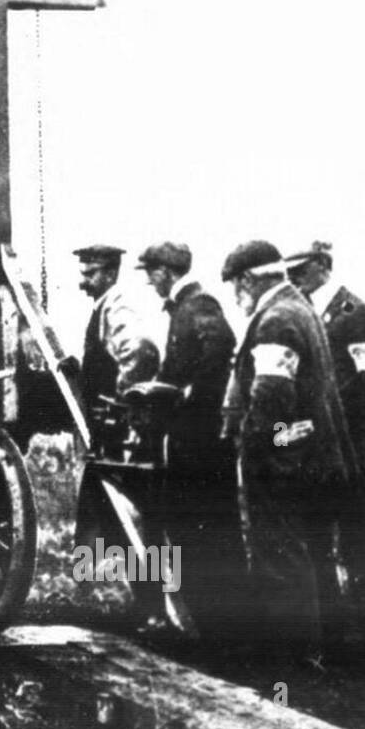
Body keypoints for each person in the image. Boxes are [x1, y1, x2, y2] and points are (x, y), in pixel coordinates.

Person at [220, 240, 357, 659]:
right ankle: (325, 654)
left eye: (234, 287)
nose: (235, 297)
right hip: (311, 456)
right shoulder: (300, 307)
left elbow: (272, 397)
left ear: (246, 280)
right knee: (312, 552)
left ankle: (292, 665)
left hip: (284, 463)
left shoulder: (275, 320)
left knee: (281, 557)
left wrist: (255, 447)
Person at [137, 241, 242, 631]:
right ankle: (209, 620)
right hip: (192, 440)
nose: (149, 281)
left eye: (151, 273)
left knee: (202, 527)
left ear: (165, 272)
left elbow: (220, 348)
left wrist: (188, 396)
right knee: (194, 526)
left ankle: (216, 622)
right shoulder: (187, 306)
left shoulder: (198, 304)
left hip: (199, 443)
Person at [286, 240, 365, 629]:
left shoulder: (356, 312)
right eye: (290, 270)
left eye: (301, 269)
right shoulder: (301, 313)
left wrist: (355, 444)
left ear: (323, 265)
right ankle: (329, 616)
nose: (293, 277)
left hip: (346, 446)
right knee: (314, 531)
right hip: (310, 445)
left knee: (354, 534)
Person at [72, 244, 160, 435]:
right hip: (102, 418)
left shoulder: (116, 308)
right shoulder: (104, 306)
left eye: (90, 274)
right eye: (82, 274)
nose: (82, 282)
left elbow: (140, 350)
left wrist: (122, 402)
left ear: (111, 274)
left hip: (113, 424)